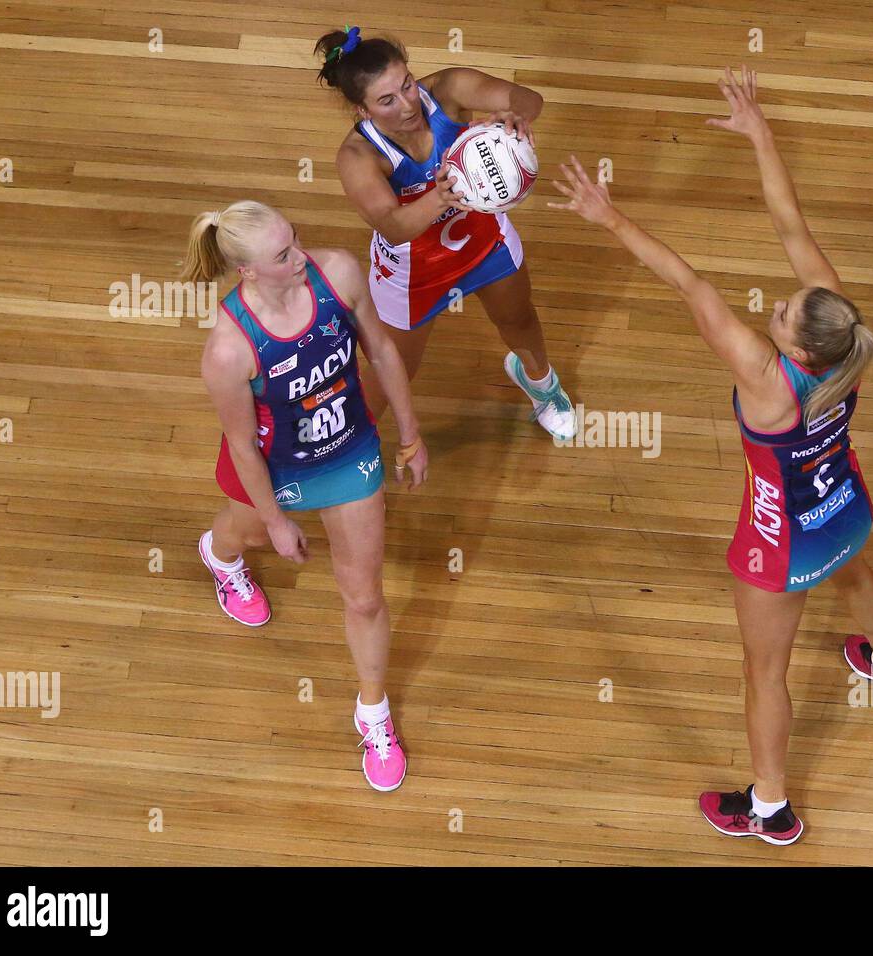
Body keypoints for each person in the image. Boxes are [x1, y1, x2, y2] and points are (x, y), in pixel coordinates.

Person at [549, 68, 873, 846]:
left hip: (779, 543)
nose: (778, 303)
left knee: (764, 675)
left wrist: (607, 215)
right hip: (844, 509)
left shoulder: (762, 375)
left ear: (793, 346)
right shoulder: (844, 333)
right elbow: (791, 224)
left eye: (782, 313)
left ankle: (770, 807)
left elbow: (690, 283)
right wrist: (761, 135)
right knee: (859, 577)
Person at [181, 200, 427, 792]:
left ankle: (373, 713)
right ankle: (222, 557)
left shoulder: (338, 273)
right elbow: (242, 446)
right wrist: (275, 520)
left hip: (348, 450)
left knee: (365, 597)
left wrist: (411, 436)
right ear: (248, 272)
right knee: (242, 531)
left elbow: (385, 351)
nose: (301, 259)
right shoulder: (228, 350)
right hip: (274, 465)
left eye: (296, 241)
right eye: (284, 255)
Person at [316, 26, 577, 440]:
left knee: (519, 319)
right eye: (387, 100)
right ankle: (351, 451)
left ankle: (543, 386)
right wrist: (444, 195)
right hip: (411, 275)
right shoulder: (357, 156)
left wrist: (515, 116)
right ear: (363, 111)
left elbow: (530, 99)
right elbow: (394, 225)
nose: (407, 105)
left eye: (406, 85)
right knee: (393, 374)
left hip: (484, 242)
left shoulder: (449, 88)